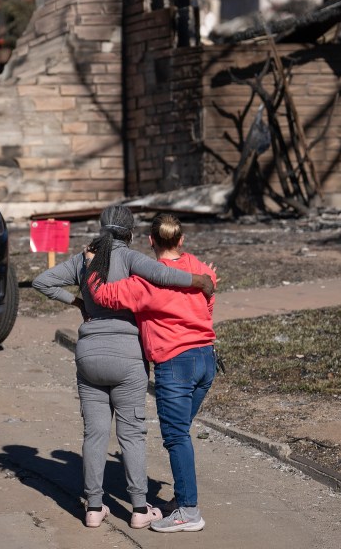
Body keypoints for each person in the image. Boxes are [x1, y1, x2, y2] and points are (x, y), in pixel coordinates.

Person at [31, 204, 213, 530]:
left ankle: (94, 508)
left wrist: (77, 302)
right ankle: (140, 510)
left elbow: (42, 282)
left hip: (89, 356)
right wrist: (199, 279)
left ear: (102, 228)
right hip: (128, 356)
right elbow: (164, 274)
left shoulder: (85, 260)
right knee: (131, 434)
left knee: (95, 433)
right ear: (130, 233)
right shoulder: (131, 258)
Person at [88, 213, 217, 533]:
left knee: (176, 438)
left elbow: (102, 295)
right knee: (180, 436)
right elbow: (208, 305)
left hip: (176, 364)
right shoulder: (199, 268)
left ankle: (189, 511)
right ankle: (183, 498)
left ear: (150, 241)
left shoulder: (145, 281)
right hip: (206, 360)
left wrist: (92, 264)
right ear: (181, 239)